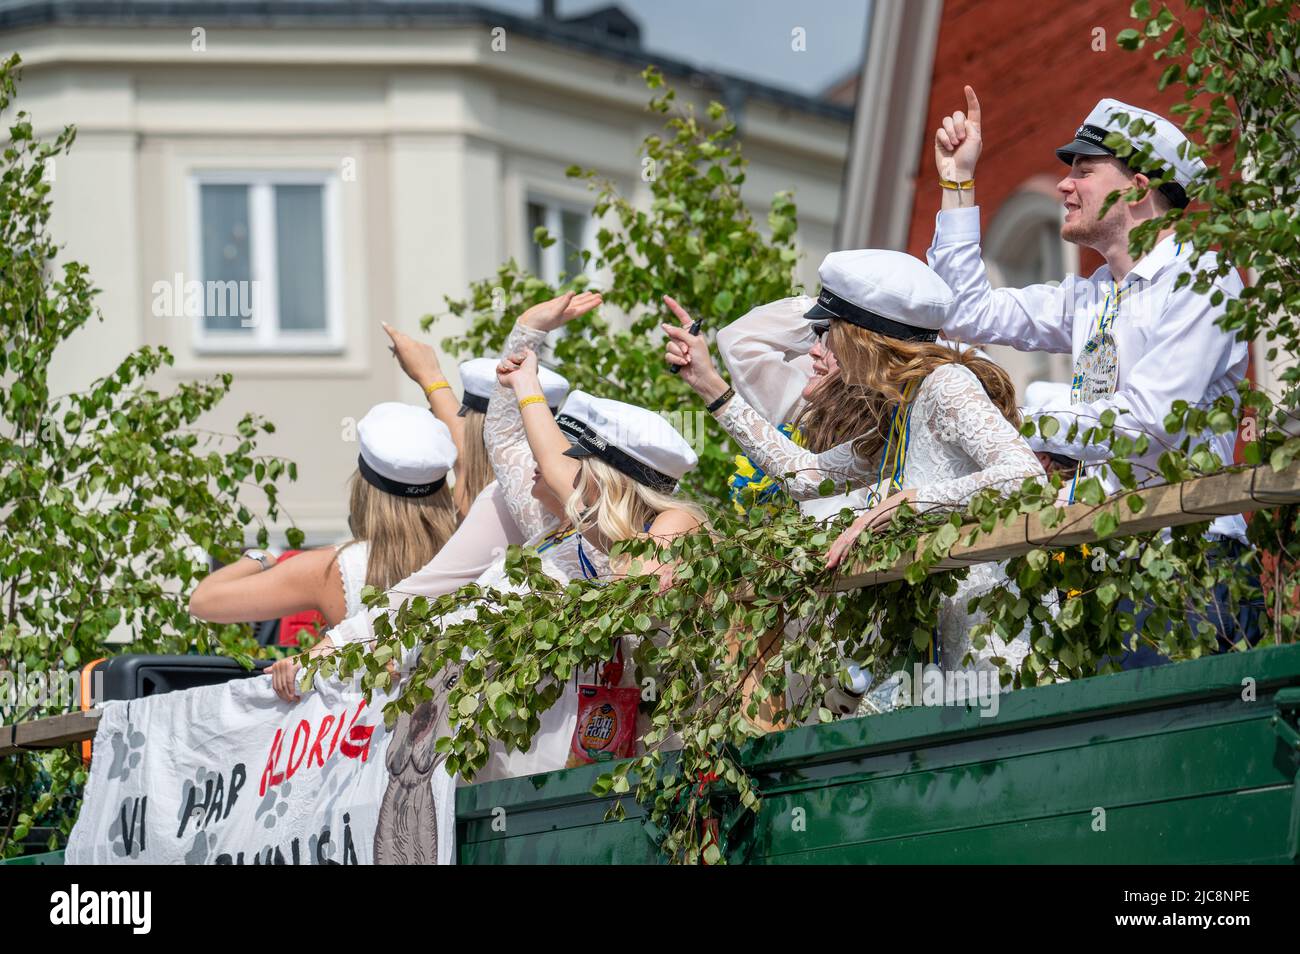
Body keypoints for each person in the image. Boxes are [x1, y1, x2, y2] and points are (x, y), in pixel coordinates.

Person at [927, 87, 1259, 660]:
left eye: (1084, 169)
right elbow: (962, 313)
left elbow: (1152, 426)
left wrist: (1021, 419)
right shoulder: (1091, 294)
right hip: (1103, 561)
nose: (1064, 185)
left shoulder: (1201, 278)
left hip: (1189, 560)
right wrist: (958, 183)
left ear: (1137, 187)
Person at [325, 292, 706, 779]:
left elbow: (634, 582)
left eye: (570, 460)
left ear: (601, 481)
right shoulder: (552, 524)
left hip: (642, 759)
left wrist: (529, 386)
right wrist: (527, 331)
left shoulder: (673, 528)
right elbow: (503, 437)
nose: (544, 465)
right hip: (540, 749)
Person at [664, 249, 1044, 686]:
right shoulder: (900, 406)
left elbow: (1025, 476)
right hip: (946, 630)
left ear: (860, 337)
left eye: (827, 331)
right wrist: (708, 385)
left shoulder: (946, 384)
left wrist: (905, 504)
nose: (817, 346)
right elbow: (805, 476)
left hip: (993, 637)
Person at [185, 402, 460, 698]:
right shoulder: (470, 554)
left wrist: (259, 558)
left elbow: (204, 601)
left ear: (365, 488)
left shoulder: (335, 568)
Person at [382, 312, 581, 518]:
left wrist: (429, 375)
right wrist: (429, 376)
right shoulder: (556, 497)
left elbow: (475, 440)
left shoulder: (523, 502)